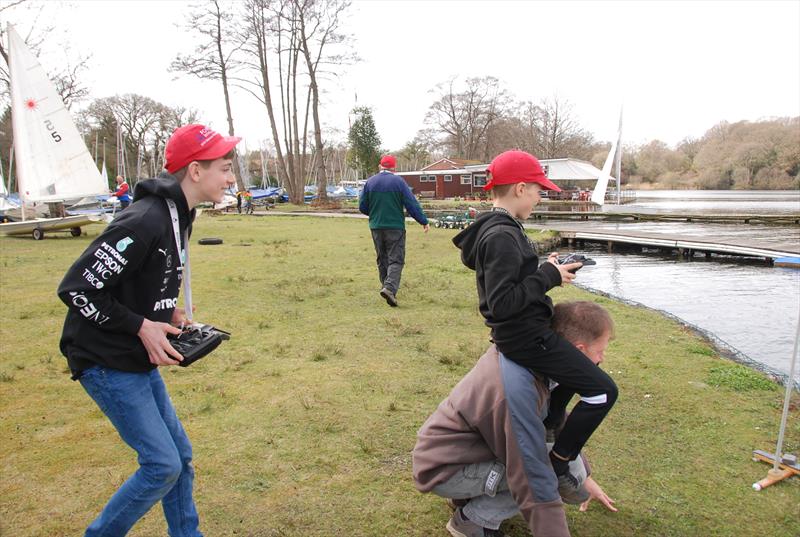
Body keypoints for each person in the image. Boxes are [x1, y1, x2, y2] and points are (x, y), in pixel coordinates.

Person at [57, 124, 240, 536]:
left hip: (134, 359)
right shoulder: (143, 219)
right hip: (104, 360)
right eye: (225, 168)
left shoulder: (179, 214)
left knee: (180, 456)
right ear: (195, 171)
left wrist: (164, 311)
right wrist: (141, 325)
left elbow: (135, 282)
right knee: (162, 465)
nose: (231, 179)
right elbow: (77, 289)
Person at [452, 150, 618, 503]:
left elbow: (510, 279)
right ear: (521, 188)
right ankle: (559, 463)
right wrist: (547, 276)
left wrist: (548, 268)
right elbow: (502, 303)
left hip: (526, 333)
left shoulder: (502, 230)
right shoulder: (500, 235)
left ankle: (551, 424)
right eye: (539, 190)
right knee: (603, 391)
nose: (541, 197)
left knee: (579, 376)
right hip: (525, 338)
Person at [412, 301, 617, 537]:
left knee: (573, 473)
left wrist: (585, 477)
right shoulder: (517, 389)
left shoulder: (531, 358)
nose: (603, 358)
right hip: (445, 469)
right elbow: (530, 472)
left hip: (461, 456)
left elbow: (551, 421)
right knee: (550, 473)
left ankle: (466, 496)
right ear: (579, 351)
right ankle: (472, 521)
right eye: (600, 351)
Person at [358, 154, 430, 307]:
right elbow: (411, 204)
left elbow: (362, 206)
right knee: (396, 259)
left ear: (380, 166)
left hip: (376, 227)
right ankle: (389, 288)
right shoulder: (399, 182)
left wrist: (375, 214)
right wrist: (423, 221)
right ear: (394, 167)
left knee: (382, 258)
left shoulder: (369, 182)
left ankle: (386, 287)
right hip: (395, 226)